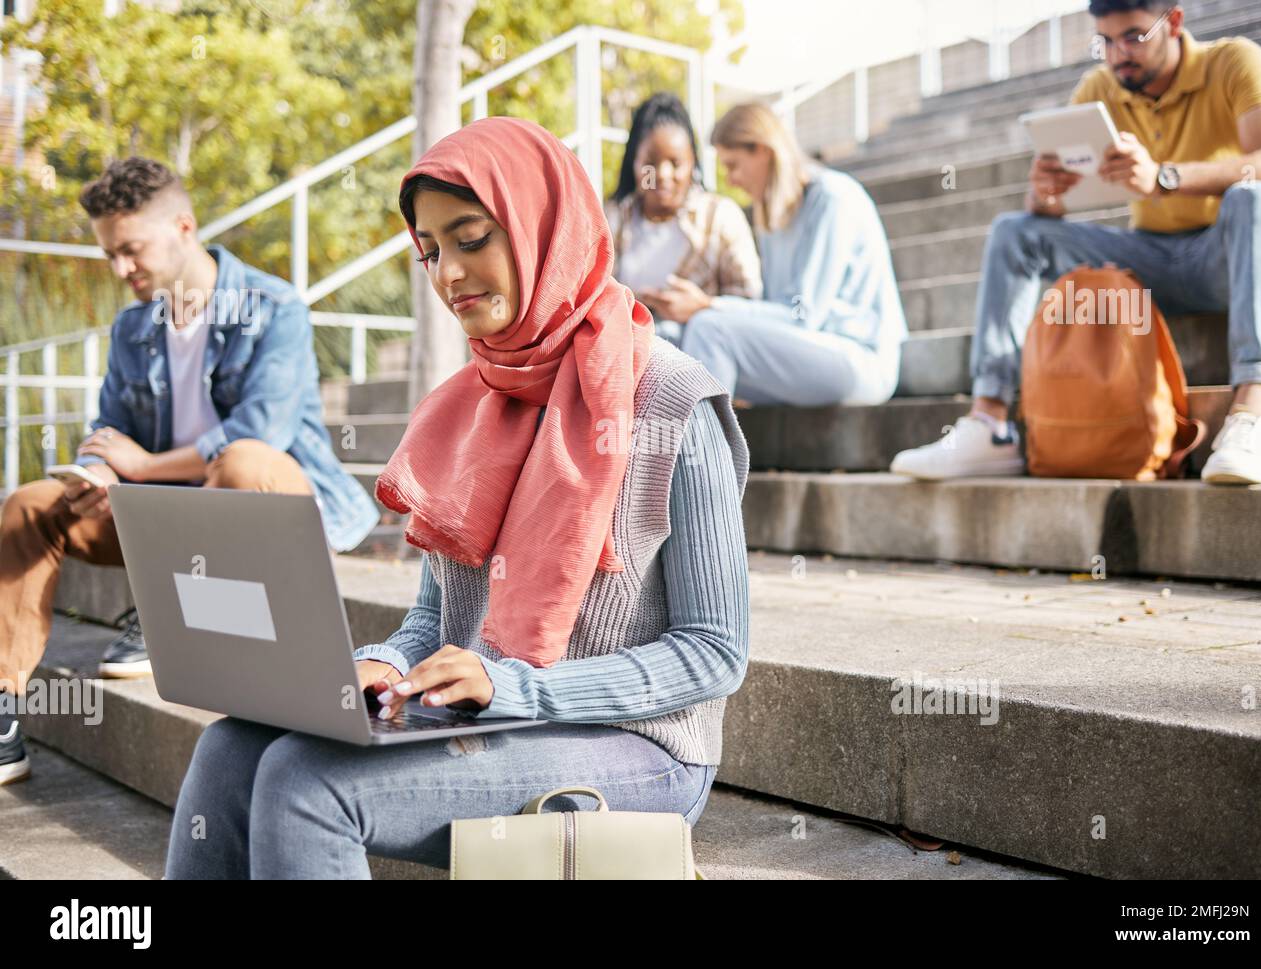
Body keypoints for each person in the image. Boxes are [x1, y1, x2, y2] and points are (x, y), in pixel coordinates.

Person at [163, 116, 751, 879]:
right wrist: (371, 667)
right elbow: (435, 622)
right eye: (431, 251)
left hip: (643, 746)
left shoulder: (675, 403)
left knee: (307, 784)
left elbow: (714, 652)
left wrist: (518, 689)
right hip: (489, 713)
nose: (447, 275)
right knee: (232, 746)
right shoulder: (465, 407)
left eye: (471, 239)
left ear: (544, 227)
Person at [0, 158, 380, 786]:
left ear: (183, 226)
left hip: (266, 504)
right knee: (27, 504)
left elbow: (262, 432)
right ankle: (5, 713)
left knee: (241, 460)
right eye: (110, 256)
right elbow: (108, 434)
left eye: (131, 250)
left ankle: (163, 610)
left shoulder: (274, 306)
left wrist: (143, 466)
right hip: (163, 519)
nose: (122, 270)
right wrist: (100, 479)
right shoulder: (132, 328)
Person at [891, 0, 1261, 485]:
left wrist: (1164, 177)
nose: (1117, 54)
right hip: (1150, 262)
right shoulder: (1101, 87)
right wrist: (1044, 191)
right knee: (1015, 232)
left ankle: (1251, 414)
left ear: (1173, 22)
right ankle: (991, 424)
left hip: (1231, 258)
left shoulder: (1234, 61)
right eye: (1105, 41)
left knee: (1252, 197)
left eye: (1132, 36)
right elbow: (1048, 212)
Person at [654, 100, 907, 408]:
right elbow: (777, 313)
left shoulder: (833, 198)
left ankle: (704, 456)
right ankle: (661, 452)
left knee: (710, 328)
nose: (731, 180)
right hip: (810, 353)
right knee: (668, 338)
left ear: (763, 150)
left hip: (861, 360)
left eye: (733, 165)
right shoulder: (772, 217)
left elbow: (803, 316)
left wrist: (709, 305)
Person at [604, 92, 762, 346]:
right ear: (634, 163)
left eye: (676, 163)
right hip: (626, 354)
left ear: (693, 165)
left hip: (698, 356)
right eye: (650, 163)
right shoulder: (610, 219)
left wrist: (702, 308)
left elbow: (750, 302)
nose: (663, 175)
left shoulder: (720, 217)